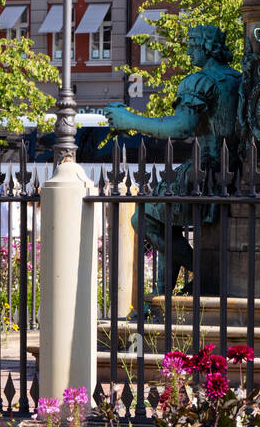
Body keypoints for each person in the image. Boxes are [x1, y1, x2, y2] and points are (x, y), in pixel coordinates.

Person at [103, 25, 242, 295]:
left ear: (206, 47)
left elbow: (180, 128)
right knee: (166, 219)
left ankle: (203, 272)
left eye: (192, 44)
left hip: (206, 169)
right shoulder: (238, 80)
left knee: (144, 217)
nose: (188, 50)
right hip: (237, 168)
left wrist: (129, 120)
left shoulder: (200, 82)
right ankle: (163, 298)